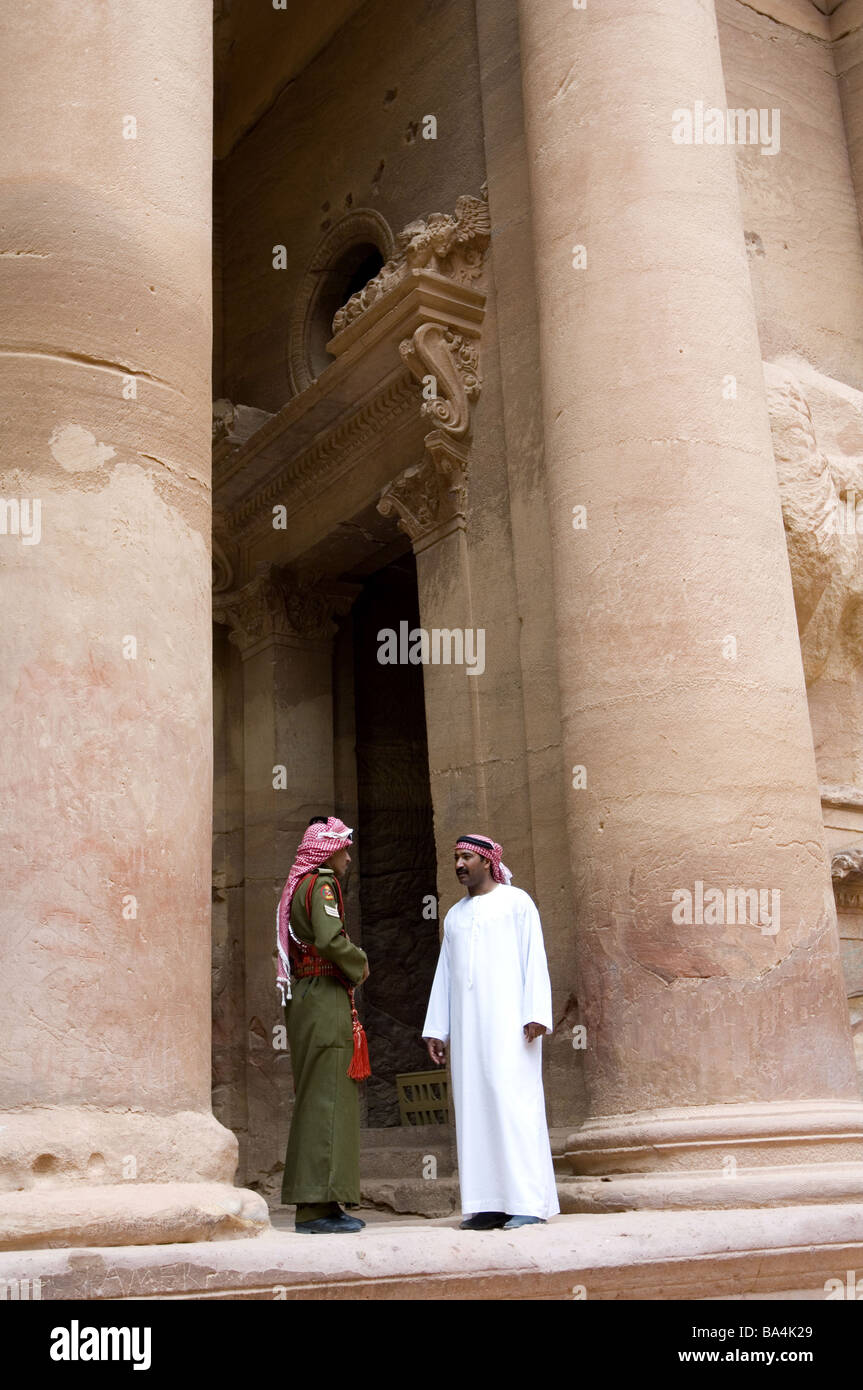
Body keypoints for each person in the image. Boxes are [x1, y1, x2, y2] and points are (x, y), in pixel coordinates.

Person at [422, 833, 560, 1230]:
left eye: (466, 857)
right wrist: (438, 1029)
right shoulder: (454, 915)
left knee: (513, 1103)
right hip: (468, 1031)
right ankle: (488, 1203)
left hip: (511, 1026)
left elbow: (535, 958)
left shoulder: (517, 903)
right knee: (475, 1107)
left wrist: (535, 1011)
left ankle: (528, 1203)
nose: (459, 865)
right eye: (456, 858)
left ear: (486, 861)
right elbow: (445, 975)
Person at [277, 815, 371, 1233]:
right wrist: (361, 963)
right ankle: (317, 1208)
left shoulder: (300, 885)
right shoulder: (323, 883)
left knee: (318, 1095)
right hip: (324, 995)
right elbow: (331, 940)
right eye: (344, 849)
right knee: (328, 1096)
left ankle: (321, 1203)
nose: (348, 857)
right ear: (329, 850)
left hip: (307, 995)